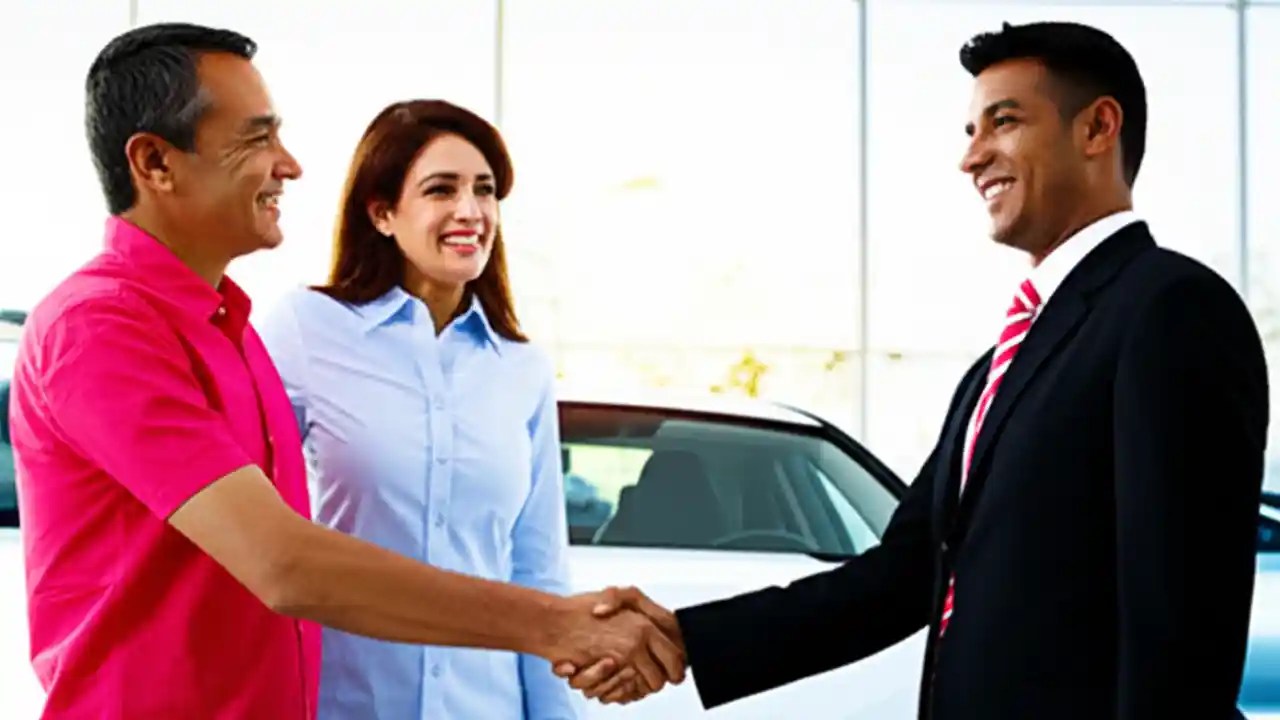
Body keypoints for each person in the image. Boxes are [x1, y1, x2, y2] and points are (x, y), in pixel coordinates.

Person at [560, 20, 1269, 719]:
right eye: (970, 133)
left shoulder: (1172, 310)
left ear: (1097, 128)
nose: (973, 158)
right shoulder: (1001, 363)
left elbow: (1182, 621)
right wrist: (685, 639)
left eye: (1003, 122)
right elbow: (899, 578)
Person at [8, 23, 681, 719]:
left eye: (485, 190)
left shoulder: (230, 332)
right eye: (256, 138)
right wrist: (556, 626)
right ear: (155, 163)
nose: (290, 165)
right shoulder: (101, 328)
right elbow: (284, 564)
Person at [255, 99, 588, 719]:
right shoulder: (306, 329)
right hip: (346, 705)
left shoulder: (521, 368)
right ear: (382, 213)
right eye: (442, 190)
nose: (471, 211)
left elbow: (538, 570)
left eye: (485, 192)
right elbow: (254, 533)